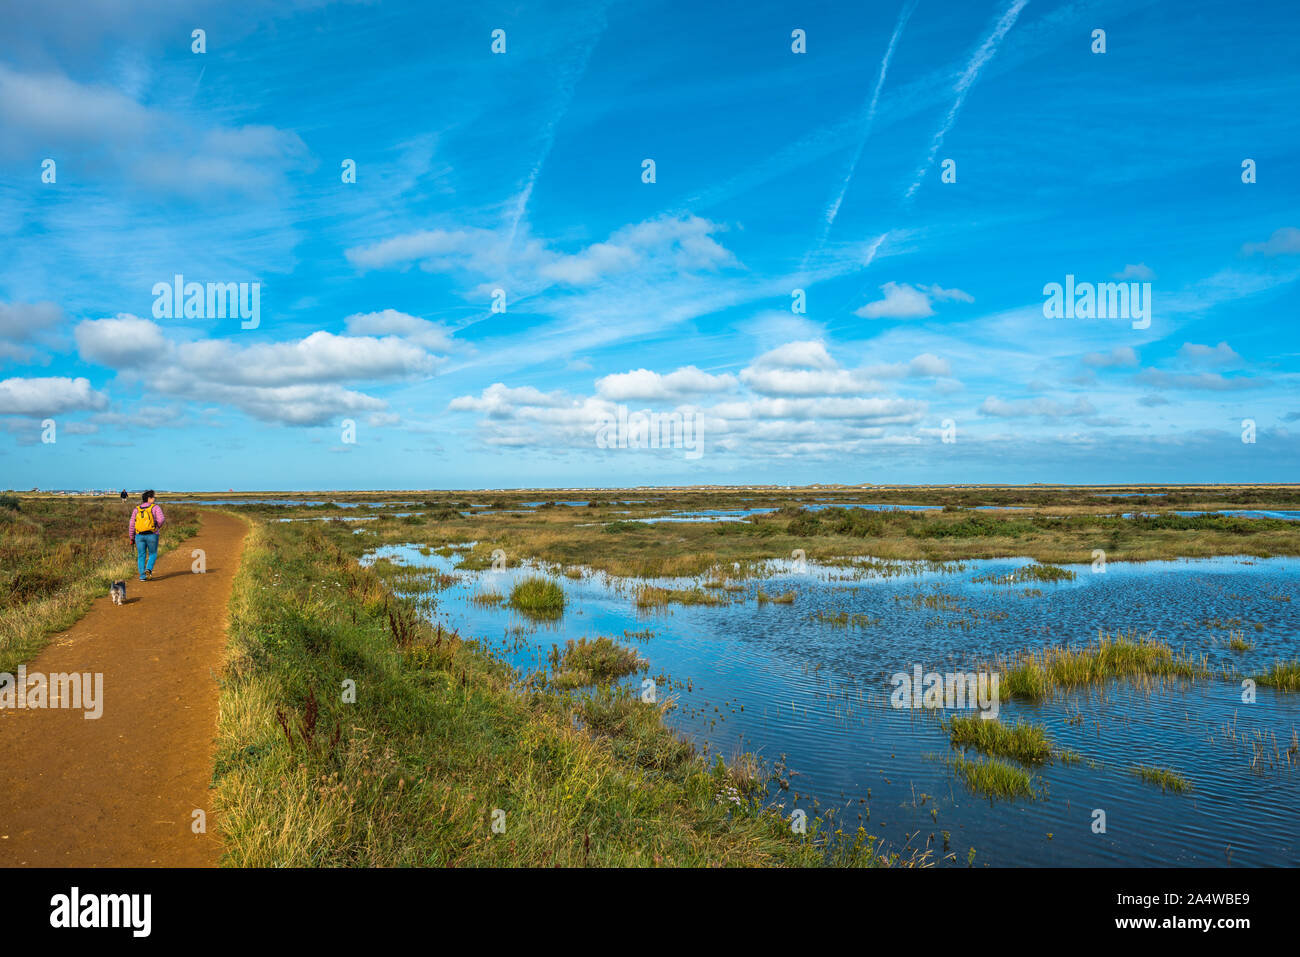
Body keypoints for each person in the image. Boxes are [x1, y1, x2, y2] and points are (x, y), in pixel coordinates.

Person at [128, 490, 166, 581]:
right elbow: (161, 519)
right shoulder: (155, 507)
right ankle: (148, 569)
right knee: (153, 553)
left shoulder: (136, 509)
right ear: (149, 498)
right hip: (152, 534)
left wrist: (132, 537)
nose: (154, 499)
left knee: (141, 555)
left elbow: (132, 525)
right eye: (153, 497)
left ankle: (142, 576)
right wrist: (156, 527)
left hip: (139, 536)